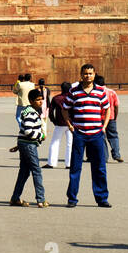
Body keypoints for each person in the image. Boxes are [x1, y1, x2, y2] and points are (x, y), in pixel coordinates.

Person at [64, 63, 110, 208]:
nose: (87, 76)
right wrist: (70, 125)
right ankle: (72, 198)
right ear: (81, 74)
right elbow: (65, 109)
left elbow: (107, 109)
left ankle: (102, 198)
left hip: (96, 133)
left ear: (94, 74)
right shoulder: (74, 92)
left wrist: (104, 126)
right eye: (85, 73)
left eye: (90, 73)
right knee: (75, 167)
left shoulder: (101, 92)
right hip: (80, 134)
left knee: (99, 168)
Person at [10, 88, 48, 207]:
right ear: (31, 101)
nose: (40, 102)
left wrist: (19, 146)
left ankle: (15, 198)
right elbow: (28, 131)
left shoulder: (28, 111)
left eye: (41, 99)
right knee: (36, 171)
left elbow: (23, 131)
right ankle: (41, 199)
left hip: (24, 144)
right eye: (37, 100)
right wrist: (41, 136)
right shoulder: (31, 113)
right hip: (29, 145)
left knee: (24, 172)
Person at [45, 82, 73, 168]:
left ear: (61, 88)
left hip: (60, 123)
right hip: (71, 123)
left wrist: (53, 120)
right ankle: (69, 164)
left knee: (55, 142)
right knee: (70, 144)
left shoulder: (56, 98)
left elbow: (50, 111)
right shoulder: (72, 98)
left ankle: (51, 163)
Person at [97, 74, 122, 163]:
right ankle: (117, 154)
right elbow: (116, 106)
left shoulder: (96, 92)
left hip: (99, 118)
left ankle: (104, 157)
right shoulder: (112, 92)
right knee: (113, 136)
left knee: (102, 138)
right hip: (111, 117)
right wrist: (115, 116)